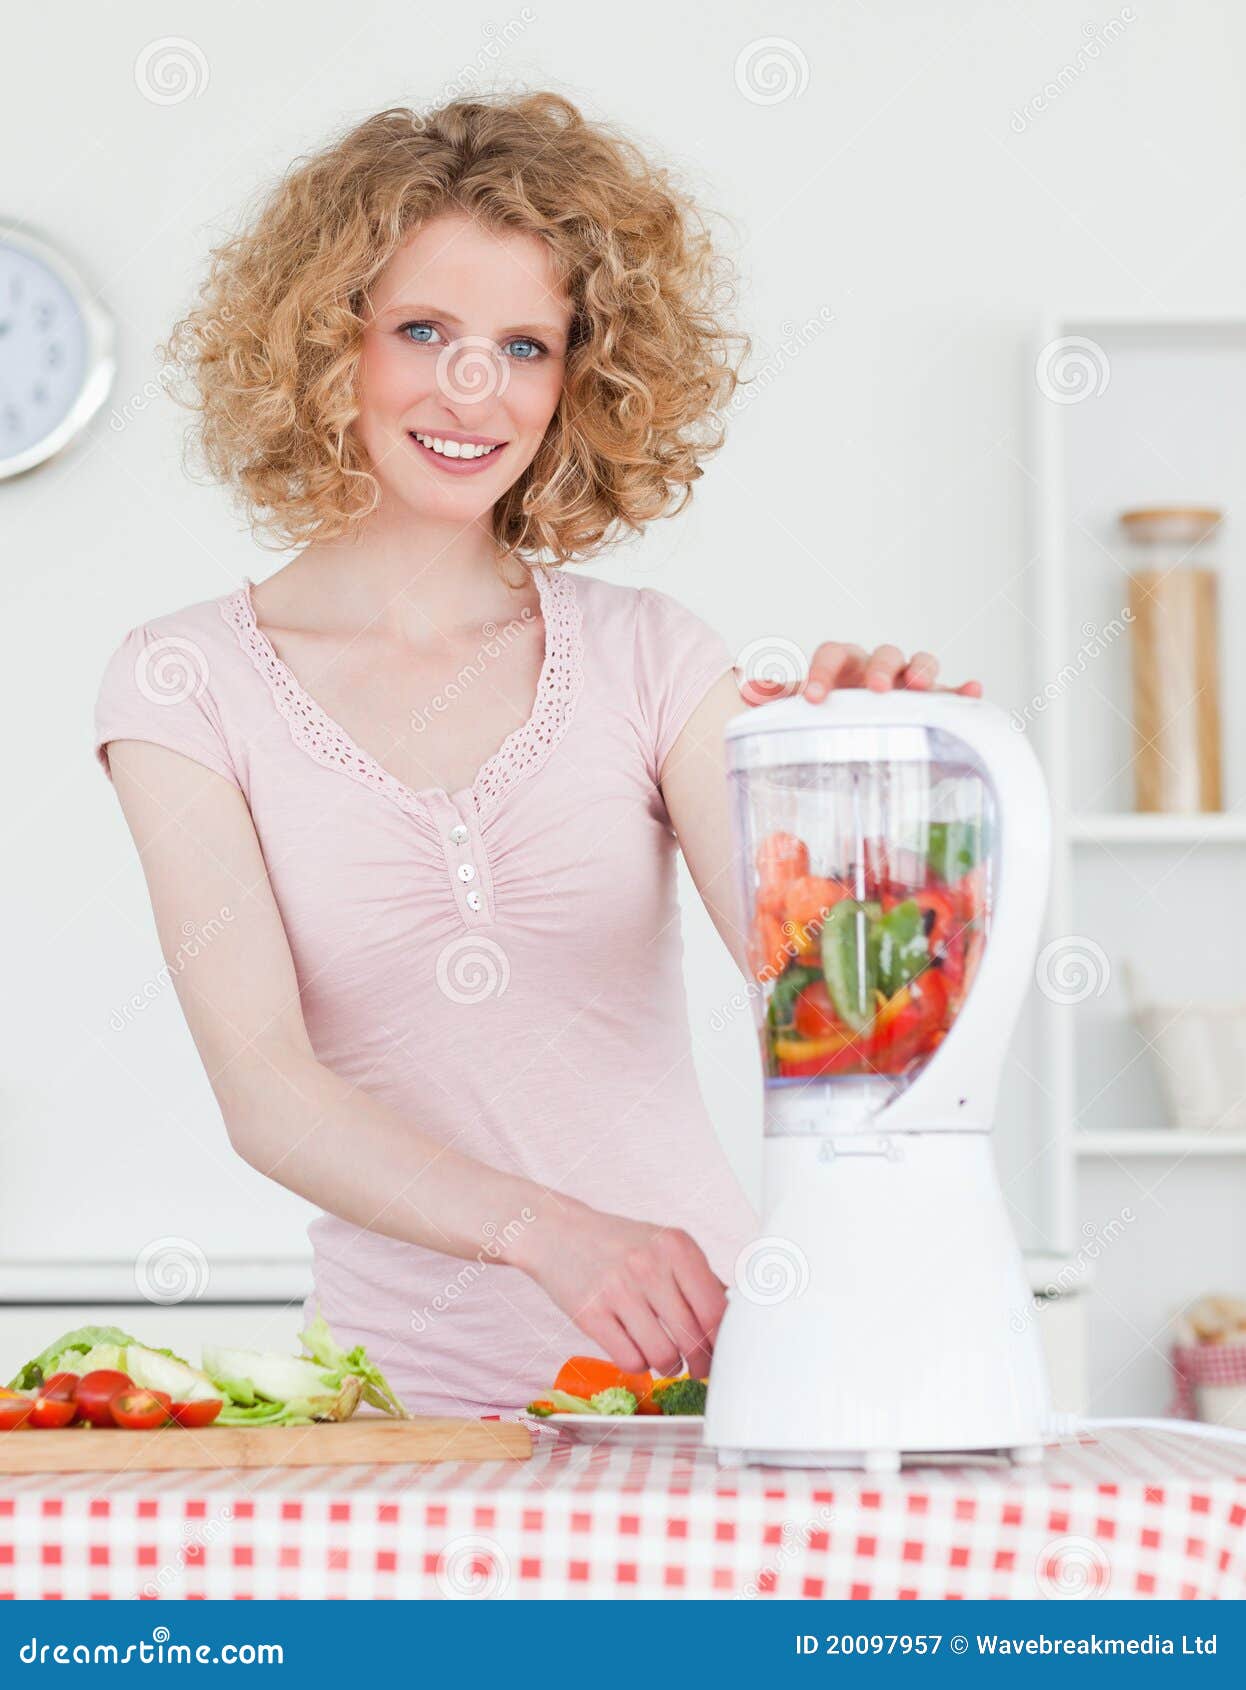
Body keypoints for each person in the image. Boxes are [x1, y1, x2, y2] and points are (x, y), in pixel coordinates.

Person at [93, 93, 979, 1416]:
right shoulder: (185, 684)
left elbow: (838, 1003)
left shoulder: (650, 654)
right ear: (325, 343)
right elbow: (268, 1090)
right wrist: (547, 1231)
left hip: (710, 1379)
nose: (473, 390)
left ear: (580, 377)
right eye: (422, 331)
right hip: (405, 1417)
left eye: (524, 345)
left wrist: (872, 785)